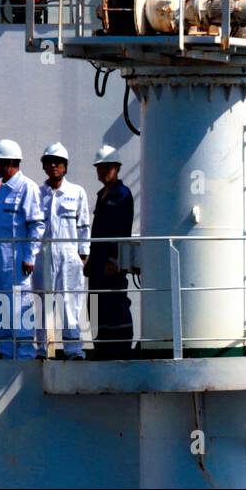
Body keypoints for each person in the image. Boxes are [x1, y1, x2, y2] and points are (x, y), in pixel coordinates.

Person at [0, 138, 45, 359]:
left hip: (17, 260)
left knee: (19, 305)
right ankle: (5, 351)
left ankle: (24, 353)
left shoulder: (26, 188)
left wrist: (30, 256)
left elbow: (37, 224)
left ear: (9, 162)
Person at [37, 142, 91, 360]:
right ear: (43, 166)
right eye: (48, 162)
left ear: (65, 166)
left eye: (57, 162)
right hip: (43, 254)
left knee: (70, 301)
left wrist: (83, 254)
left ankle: (73, 349)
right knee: (42, 302)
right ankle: (43, 349)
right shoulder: (37, 193)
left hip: (69, 256)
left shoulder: (76, 192)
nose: (53, 166)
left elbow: (84, 225)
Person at [88, 144, 135, 359]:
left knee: (116, 303)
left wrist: (115, 259)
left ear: (117, 168)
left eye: (107, 167)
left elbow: (123, 229)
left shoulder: (123, 195)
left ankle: (121, 348)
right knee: (96, 303)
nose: (103, 171)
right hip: (97, 261)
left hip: (112, 262)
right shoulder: (101, 195)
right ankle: (101, 348)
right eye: (100, 167)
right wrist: (90, 258)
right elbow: (97, 229)